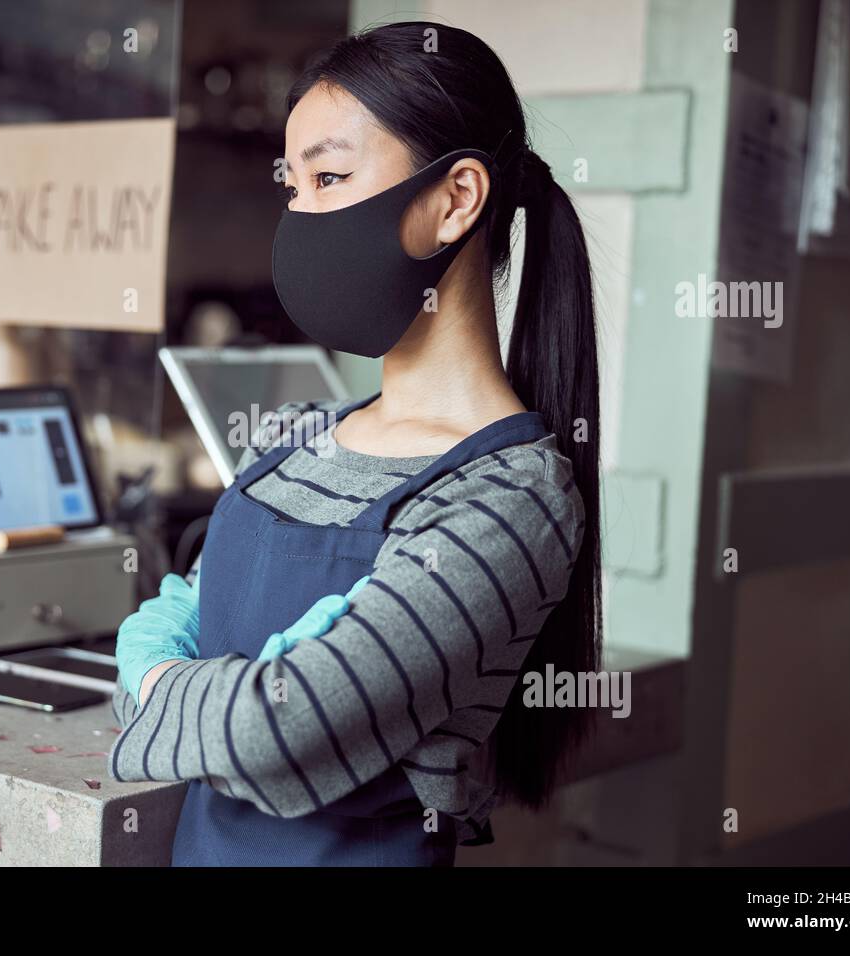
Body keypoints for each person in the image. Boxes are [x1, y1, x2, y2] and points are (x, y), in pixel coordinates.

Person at [109, 20, 602, 867]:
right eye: (292, 186)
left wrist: (156, 688)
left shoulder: (511, 497)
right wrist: (209, 682)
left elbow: (279, 730)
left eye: (330, 177)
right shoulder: (306, 435)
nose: (300, 217)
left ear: (455, 199)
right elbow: (172, 614)